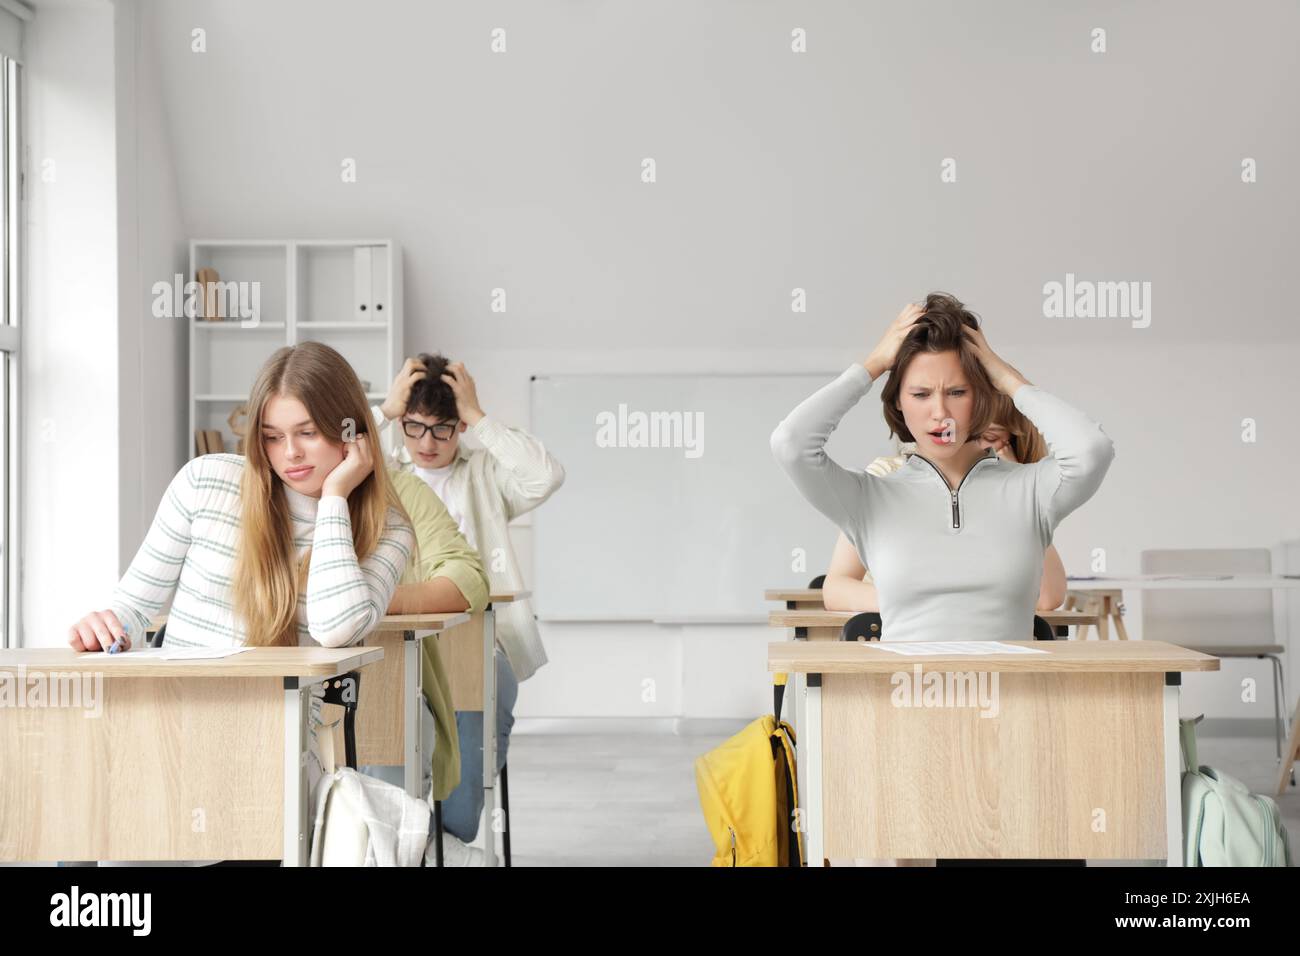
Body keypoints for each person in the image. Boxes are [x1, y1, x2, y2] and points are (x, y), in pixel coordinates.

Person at [770, 293, 1115, 645]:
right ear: (898, 403)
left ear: (982, 396)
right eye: (920, 394)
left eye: (958, 392)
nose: (940, 413)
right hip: (903, 694)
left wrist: (1005, 376)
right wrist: (873, 366)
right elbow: (792, 444)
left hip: (1014, 696)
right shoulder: (870, 497)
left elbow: (1091, 450)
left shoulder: (1031, 491)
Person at [373, 353, 566, 853]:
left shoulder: (483, 474)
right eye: (413, 428)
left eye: (443, 430)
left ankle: (449, 840)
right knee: (380, 707)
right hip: (398, 638)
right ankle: (392, 834)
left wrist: (480, 415)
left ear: (459, 429)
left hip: (480, 637)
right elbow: (335, 453)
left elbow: (545, 475)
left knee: (486, 691)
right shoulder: (381, 477)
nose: (427, 444)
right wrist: (385, 410)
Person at [822, 393, 1067, 615]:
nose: (970, 446)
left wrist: (1015, 487)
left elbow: (1047, 597)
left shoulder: (1017, 495)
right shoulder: (884, 476)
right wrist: (932, 606)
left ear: (1013, 443)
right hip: (899, 638)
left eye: (989, 437)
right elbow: (836, 589)